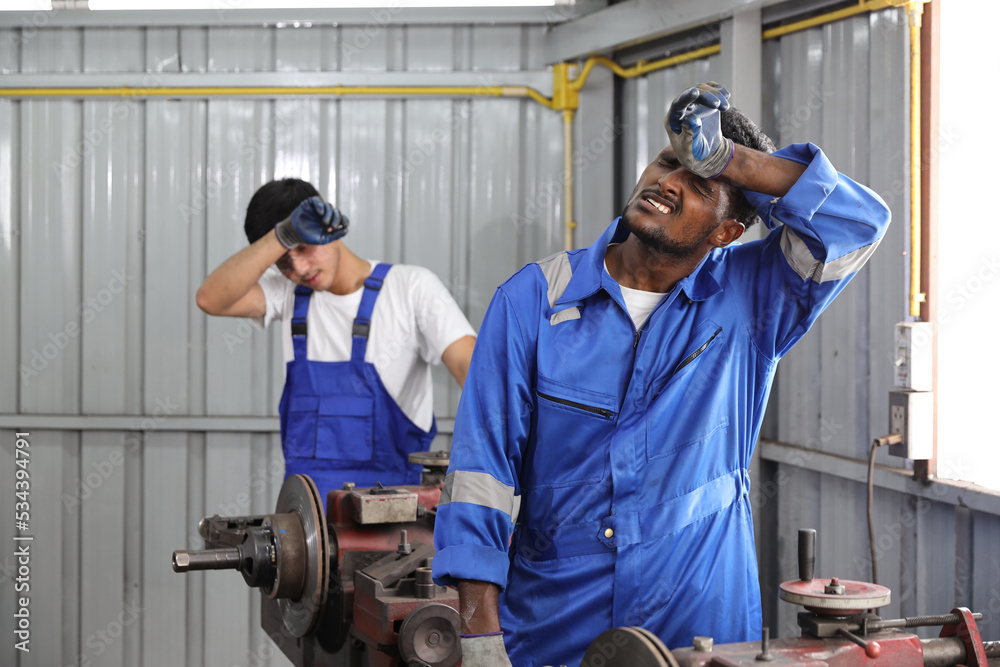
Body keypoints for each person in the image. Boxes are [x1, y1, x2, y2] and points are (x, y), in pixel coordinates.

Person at [432, 82, 891, 666]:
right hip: (556, 628)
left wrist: (733, 161)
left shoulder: (753, 296)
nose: (667, 181)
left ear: (726, 231)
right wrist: (480, 637)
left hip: (703, 631)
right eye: (667, 161)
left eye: (698, 183)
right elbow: (481, 475)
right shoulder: (534, 299)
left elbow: (857, 223)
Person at [196, 179, 476, 500]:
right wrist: (281, 237)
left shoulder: (411, 288)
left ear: (327, 227)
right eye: (283, 261)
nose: (299, 268)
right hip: (310, 524)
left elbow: (472, 368)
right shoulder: (287, 295)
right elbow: (210, 299)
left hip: (401, 518)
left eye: (303, 246)